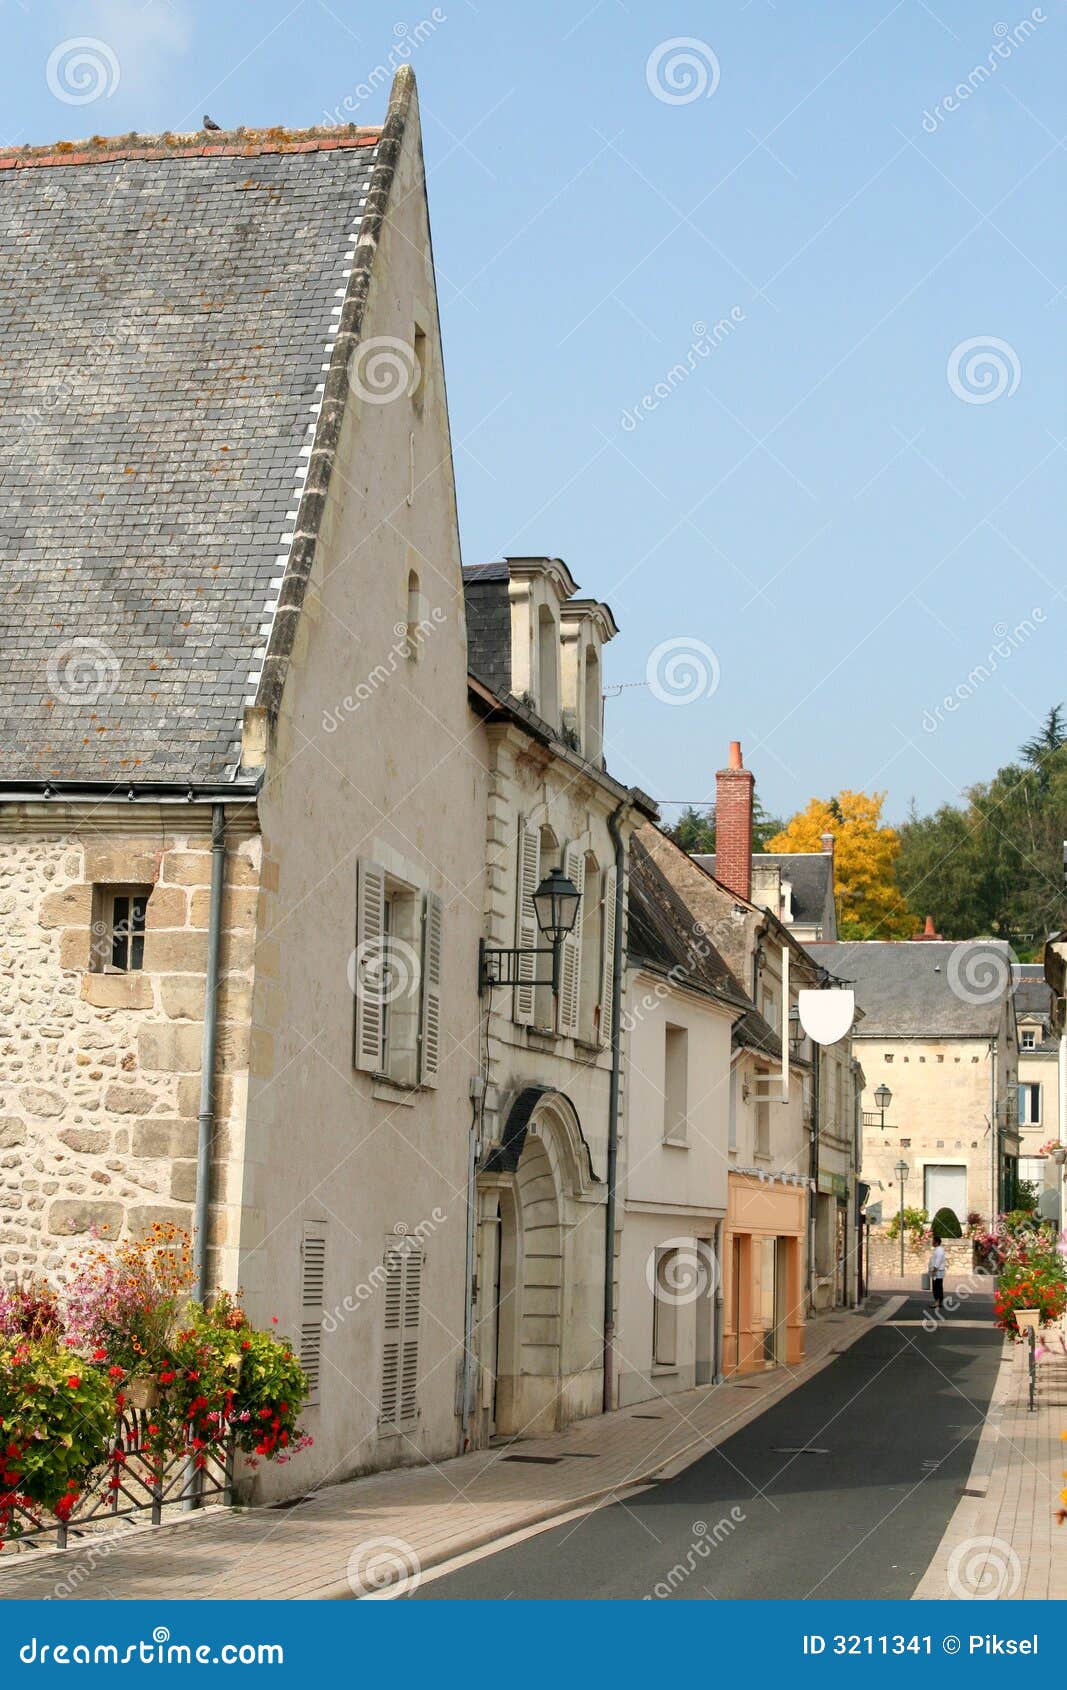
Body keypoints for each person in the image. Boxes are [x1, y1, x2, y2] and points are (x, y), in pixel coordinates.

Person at [929, 1234, 946, 1309]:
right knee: (938, 1287)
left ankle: (937, 1302)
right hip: (938, 1271)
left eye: (933, 1241)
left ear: (936, 1242)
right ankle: (939, 1302)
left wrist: (934, 1270)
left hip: (937, 1272)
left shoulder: (939, 1250)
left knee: (936, 1287)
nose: (932, 1242)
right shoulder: (938, 1249)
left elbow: (938, 1261)